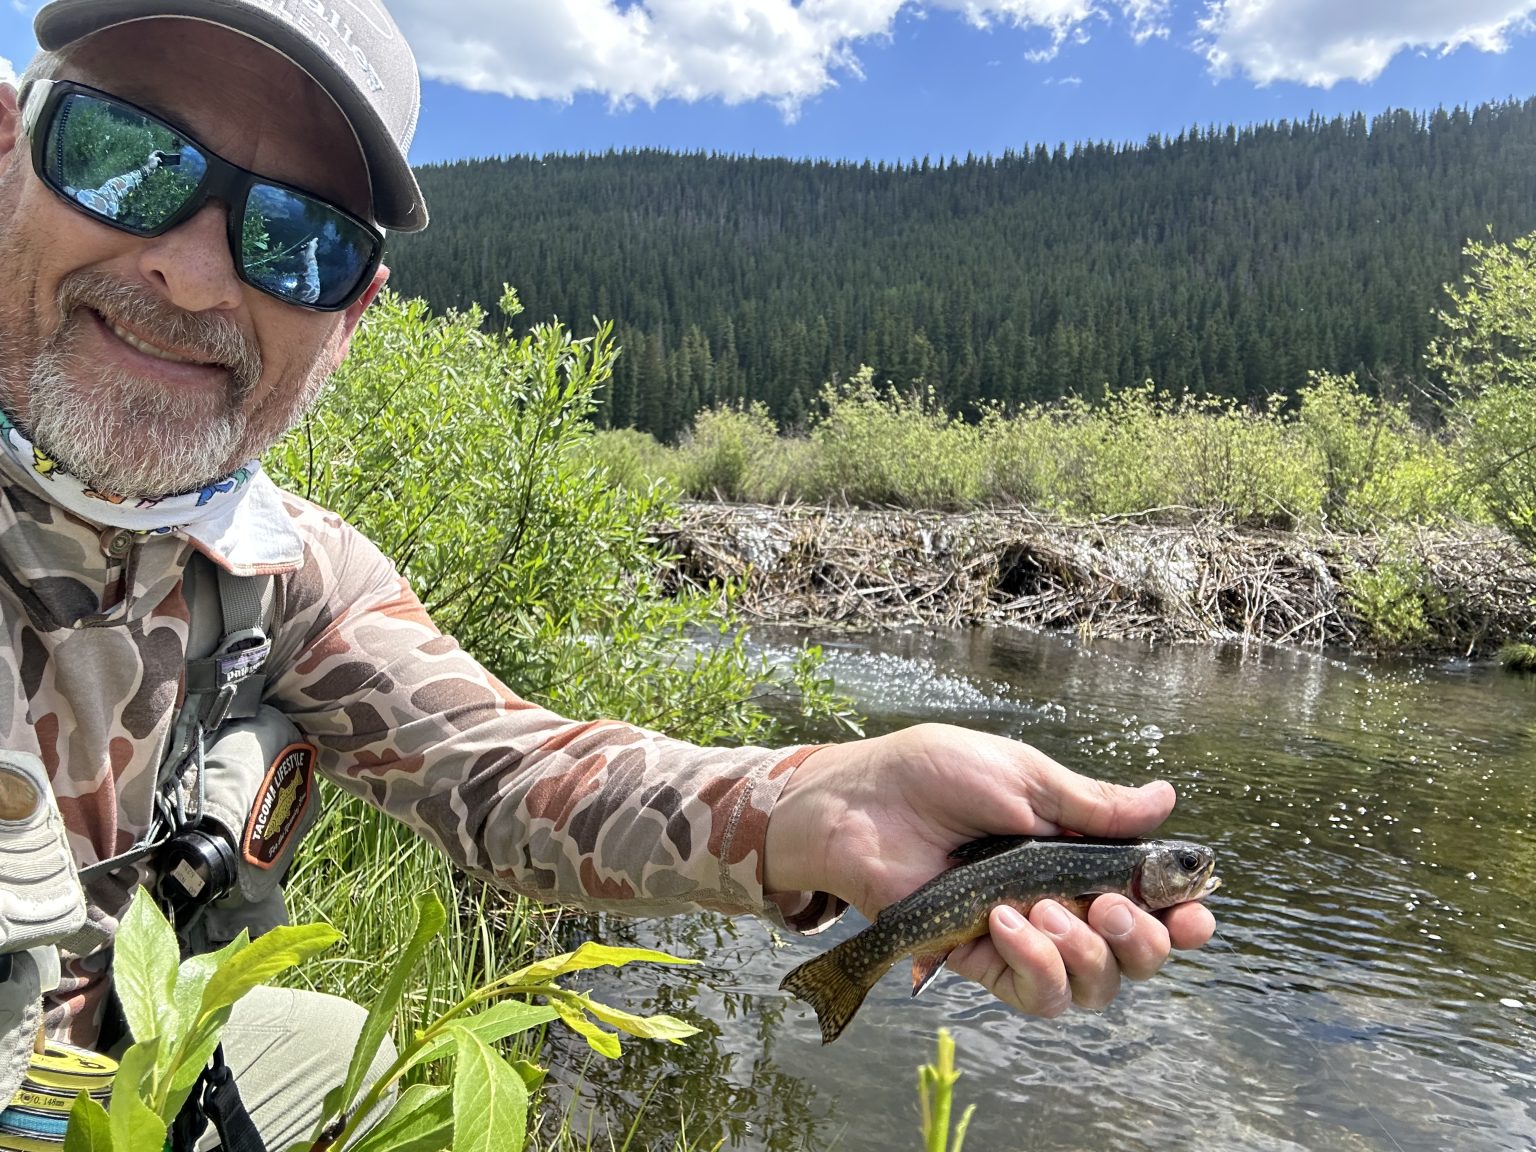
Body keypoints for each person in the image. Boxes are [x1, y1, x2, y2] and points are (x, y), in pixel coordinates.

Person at [0, 0, 1215, 1144]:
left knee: (378, 1076)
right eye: (127, 153)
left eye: (299, 241)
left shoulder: (287, 573)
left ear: (351, 317)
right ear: (11, 145)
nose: (198, 272)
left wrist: (825, 802)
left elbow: (519, 777)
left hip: (98, 1075)